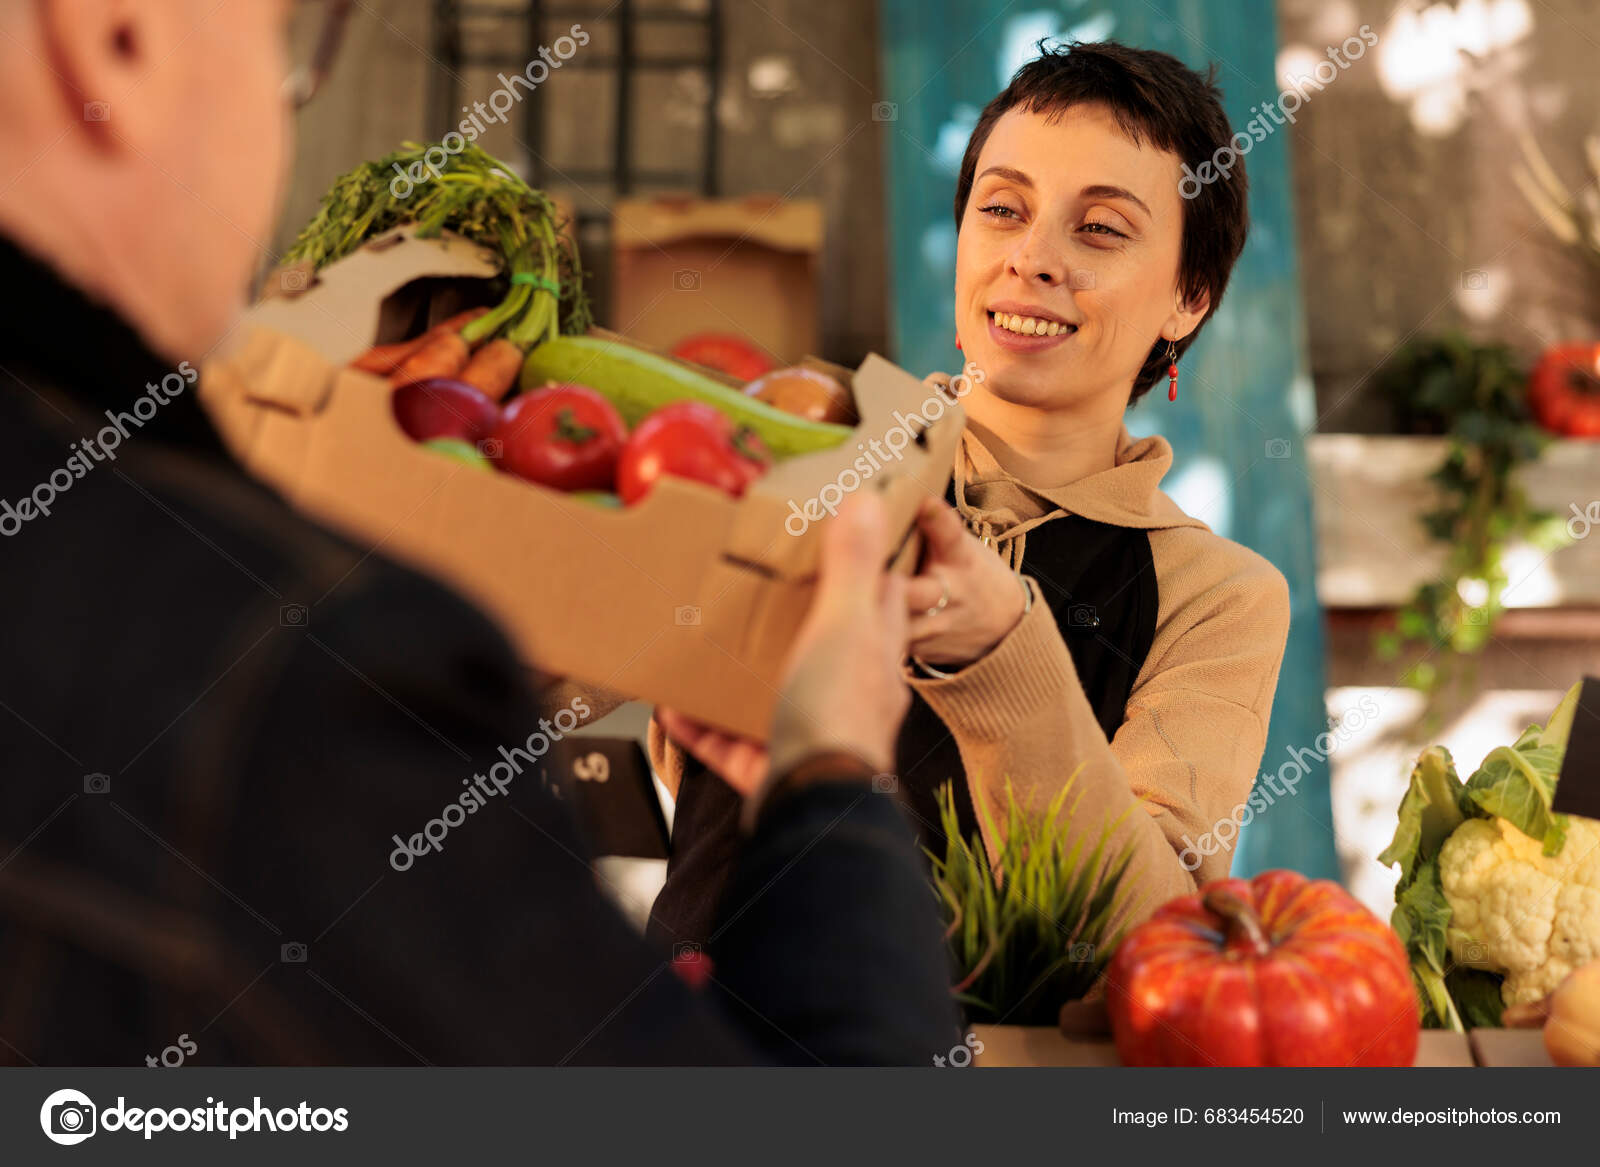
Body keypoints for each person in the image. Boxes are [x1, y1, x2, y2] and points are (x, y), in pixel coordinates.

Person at [0, 0, 959, 1066]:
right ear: (117, 37)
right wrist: (833, 774)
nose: (285, 107)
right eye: (289, 45)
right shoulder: (294, 668)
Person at [651, 41, 1292, 945]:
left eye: (1100, 228)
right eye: (1001, 209)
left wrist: (1004, 654)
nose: (1031, 258)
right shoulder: (812, 448)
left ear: (1188, 297)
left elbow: (1159, 936)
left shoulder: (1215, 595)